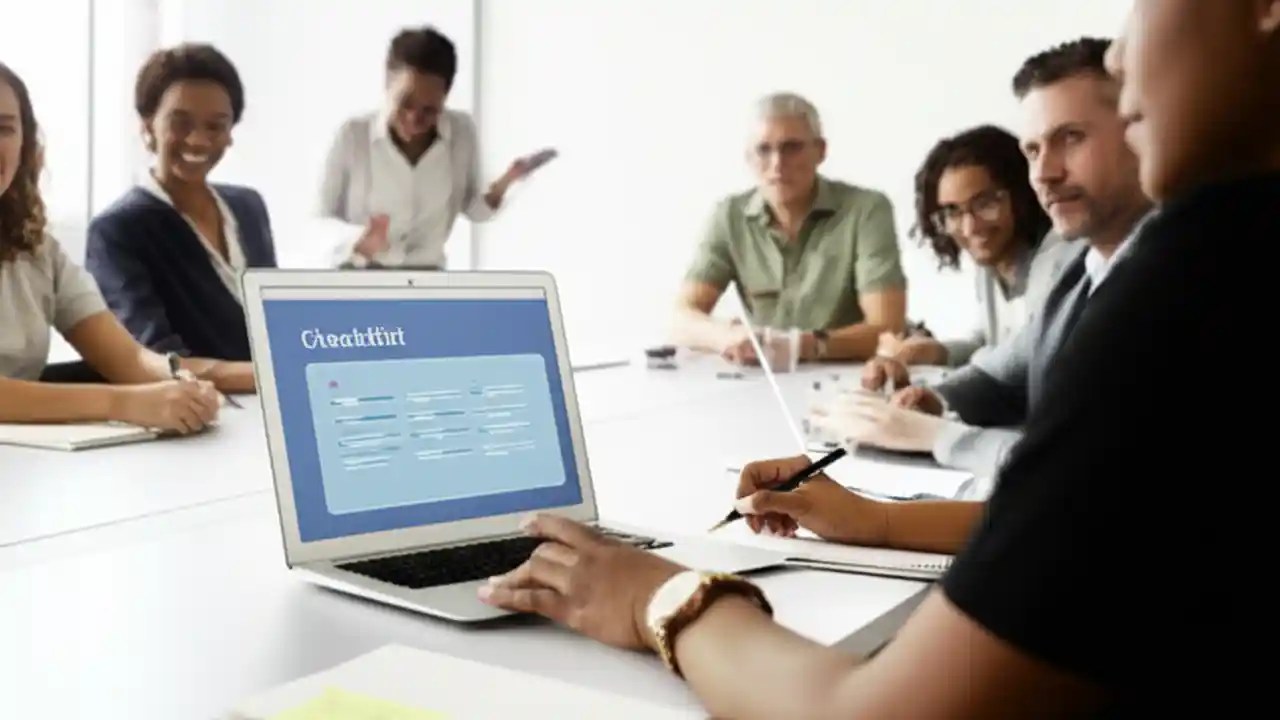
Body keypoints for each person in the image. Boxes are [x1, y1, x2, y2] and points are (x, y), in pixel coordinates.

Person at [474, 1, 1268, 714]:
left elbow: (870, 715)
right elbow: (1106, 520)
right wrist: (879, 519)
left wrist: (660, 596)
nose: (1122, 56)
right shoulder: (1164, 268)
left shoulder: (1202, 281)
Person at [851, 37, 1154, 487]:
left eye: (1071, 138)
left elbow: (1096, 467)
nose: (1044, 173)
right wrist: (927, 399)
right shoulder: (1077, 268)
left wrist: (940, 438)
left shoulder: (1185, 270)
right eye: (1033, 150)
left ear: (1140, 128)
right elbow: (1005, 374)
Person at [0, 61, 221, 433]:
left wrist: (179, 383)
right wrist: (122, 402)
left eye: (4, 128)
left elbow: (128, 357)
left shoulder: (38, 251)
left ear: (25, 143)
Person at [85, 43, 272, 394]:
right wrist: (273, 375)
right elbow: (154, 358)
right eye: (180, 122)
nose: (198, 140)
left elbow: (274, 326)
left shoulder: (248, 207)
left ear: (231, 132)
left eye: (215, 126)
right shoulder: (118, 231)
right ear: (148, 124)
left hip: (269, 409)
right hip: (194, 416)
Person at [671, 92, 908, 365]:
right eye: (764, 149)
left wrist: (802, 346)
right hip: (763, 384)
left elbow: (888, 329)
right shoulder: (729, 216)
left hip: (846, 379)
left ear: (821, 151)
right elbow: (680, 319)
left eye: (791, 147)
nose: (777, 164)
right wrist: (727, 336)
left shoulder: (866, 210)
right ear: (748, 157)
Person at [316, 25, 555, 270]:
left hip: (428, 280)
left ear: (446, 96)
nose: (413, 118)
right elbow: (319, 223)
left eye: (429, 110)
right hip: (359, 278)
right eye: (404, 102)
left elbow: (473, 208)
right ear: (387, 84)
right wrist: (359, 240)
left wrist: (506, 182)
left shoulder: (461, 132)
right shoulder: (353, 136)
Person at [876, 124, 1074, 368]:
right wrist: (936, 352)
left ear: (1022, 193)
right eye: (953, 212)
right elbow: (989, 344)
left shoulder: (1059, 259)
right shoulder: (993, 262)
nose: (970, 228)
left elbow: (1024, 359)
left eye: (985, 204)